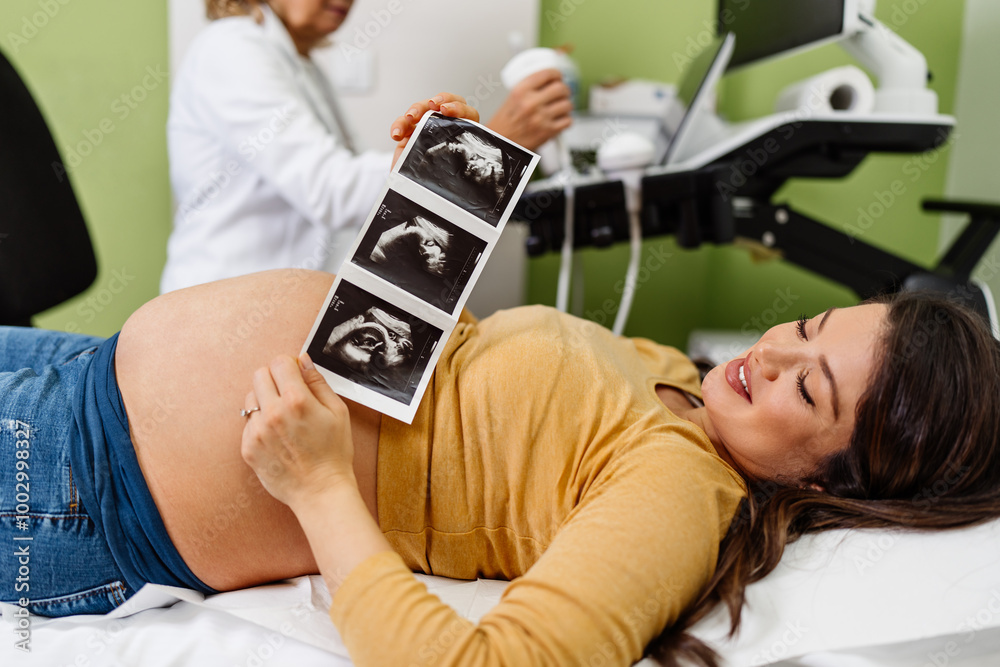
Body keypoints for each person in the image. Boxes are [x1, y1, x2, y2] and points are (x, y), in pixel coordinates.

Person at [3, 97, 1000, 666]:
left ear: (829, 480)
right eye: (807, 326)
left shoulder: (675, 494)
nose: (771, 354)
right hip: (81, 369)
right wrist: (435, 199)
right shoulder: (679, 385)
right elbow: (471, 405)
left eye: (809, 391)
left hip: (81, 491)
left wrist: (317, 486)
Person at [160, 0, 573, 294]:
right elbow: (331, 190)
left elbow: (360, 191)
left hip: (274, 304)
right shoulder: (232, 48)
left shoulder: (302, 66)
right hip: (222, 309)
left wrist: (442, 151)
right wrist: (489, 142)